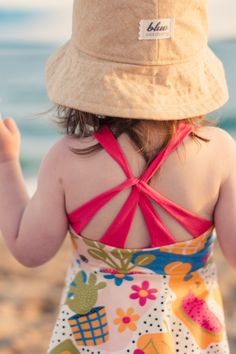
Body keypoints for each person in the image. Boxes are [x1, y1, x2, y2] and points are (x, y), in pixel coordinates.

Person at [0, 0, 235, 353]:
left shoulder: (66, 158)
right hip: (185, 340)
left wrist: (6, 163)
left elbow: (28, 250)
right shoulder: (218, 151)